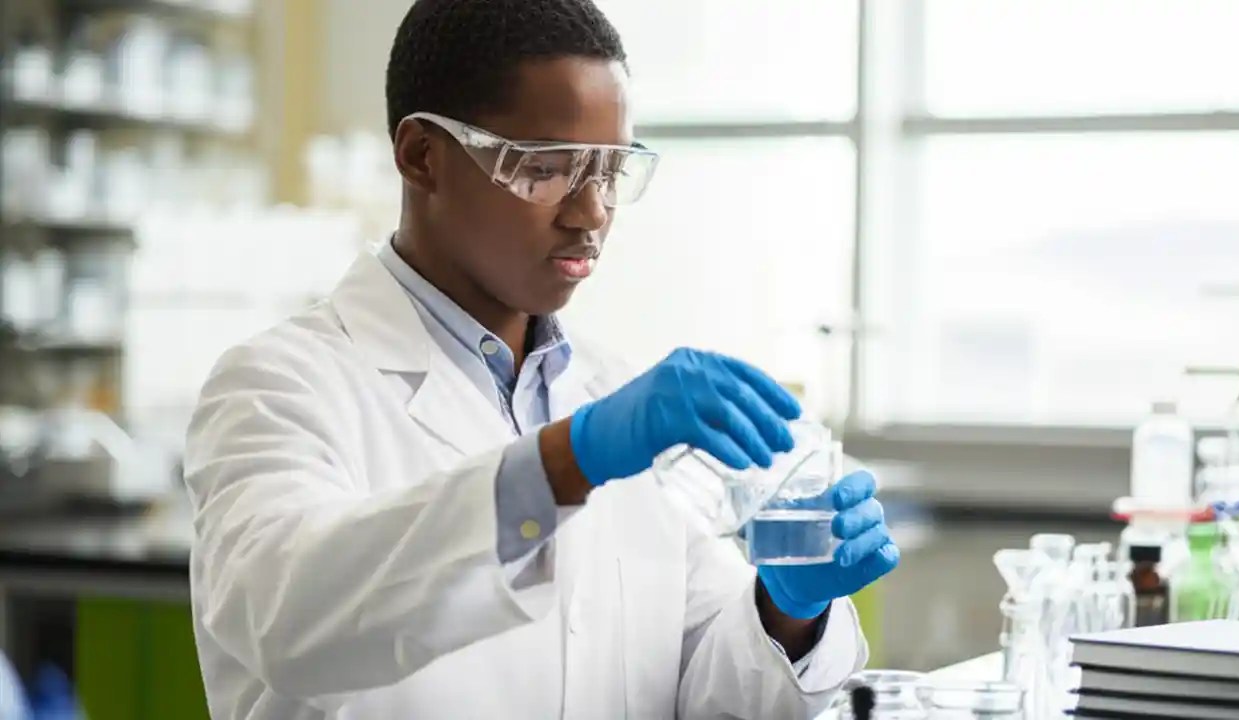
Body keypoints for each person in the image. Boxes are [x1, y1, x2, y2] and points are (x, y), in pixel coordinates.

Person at [183, 0, 899, 718]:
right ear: (422, 156)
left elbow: (708, 689)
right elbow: (293, 619)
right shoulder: (277, 386)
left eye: (611, 170)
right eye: (547, 168)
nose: (589, 212)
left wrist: (788, 610)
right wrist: (567, 462)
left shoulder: (608, 390)